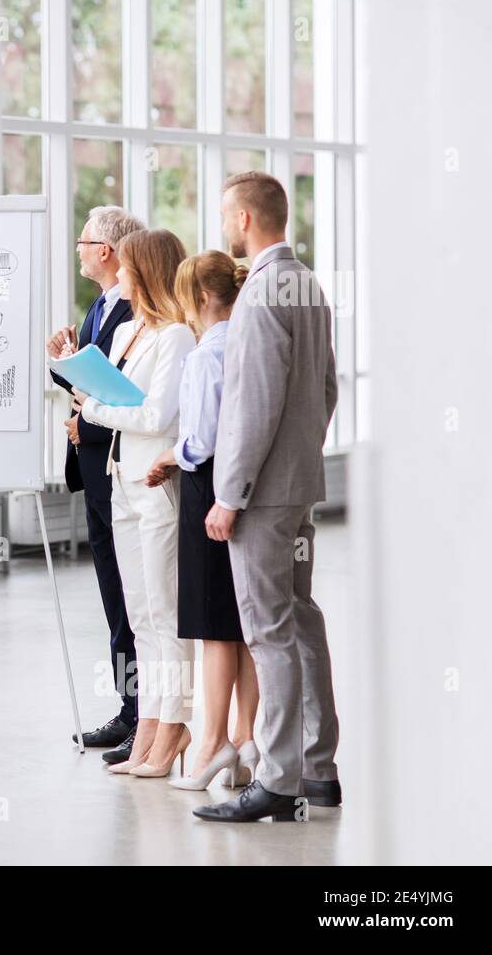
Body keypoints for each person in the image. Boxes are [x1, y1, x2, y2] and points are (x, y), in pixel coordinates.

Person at [194, 171, 340, 823]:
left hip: (261, 497)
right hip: (300, 486)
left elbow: (252, 406)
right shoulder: (307, 284)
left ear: (247, 219)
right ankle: (318, 767)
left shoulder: (258, 295)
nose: (225, 225)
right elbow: (326, 390)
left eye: (228, 214)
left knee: (269, 629)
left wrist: (231, 494)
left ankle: (279, 781)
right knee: (301, 616)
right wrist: (299, 459)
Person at [73, 228, 196, 779]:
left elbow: (157, 418)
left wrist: (95, 409)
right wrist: (84, 391)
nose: (116, 273)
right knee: (141, 614)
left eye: (125, 267)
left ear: (145, 271)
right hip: (120, 479)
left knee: (165, 615)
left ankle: (175, 722)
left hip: (154, 485)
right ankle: (149, 721)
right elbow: (110, 396)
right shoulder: (126, 330)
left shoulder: (176, 337)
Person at [143, 250, 260, 792]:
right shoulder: (248, 341)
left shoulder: (205, 354)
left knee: (214, 626)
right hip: (242, 487)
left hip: (207, 489)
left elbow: (202, 439)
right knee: (243, 625)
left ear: (196, 298)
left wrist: (171, 455)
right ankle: (244, 737)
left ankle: (211, 744)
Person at [47, 205, 145, 757]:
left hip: (117, 462)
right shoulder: (99, 306)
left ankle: (144, 715)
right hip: (93, 462)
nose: (80, 250)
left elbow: (118, 393)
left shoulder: (134, 310)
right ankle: (129, 708)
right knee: (113, 595)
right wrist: (59, 360)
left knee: (133, 598)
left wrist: (85, 417)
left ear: (105, 251)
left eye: (84, 242)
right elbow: (87, 383)